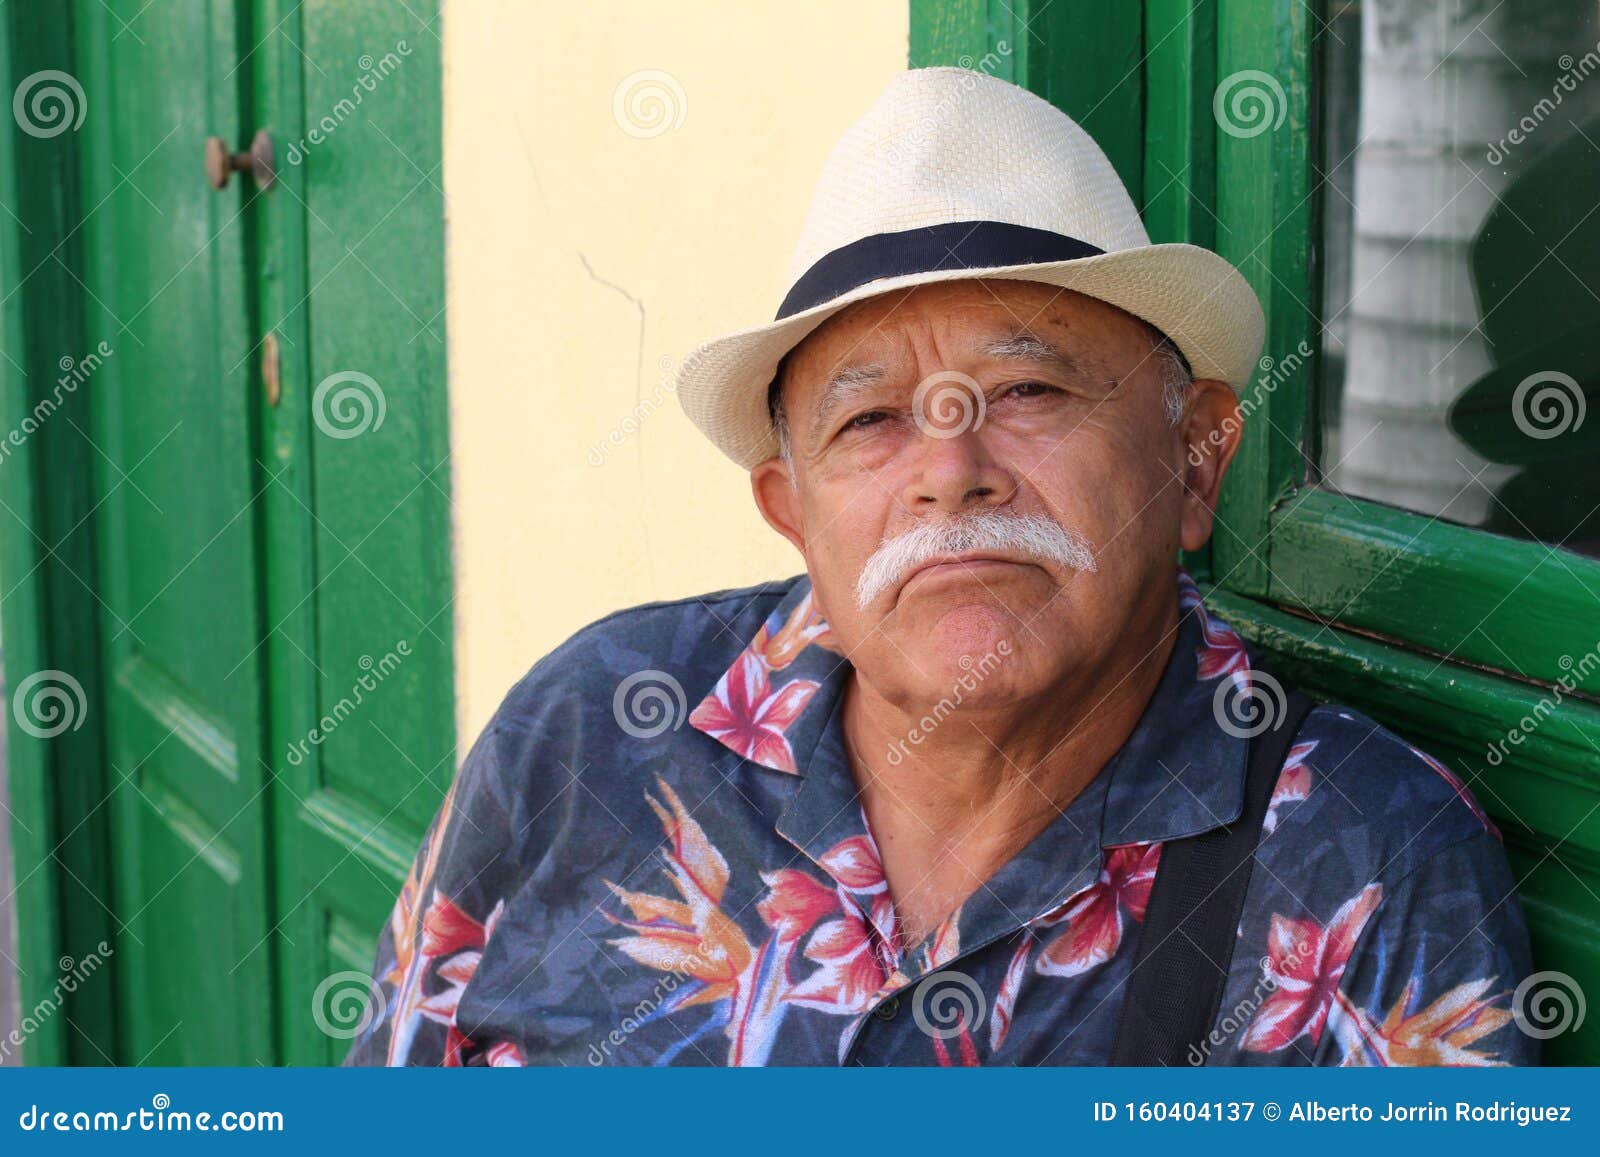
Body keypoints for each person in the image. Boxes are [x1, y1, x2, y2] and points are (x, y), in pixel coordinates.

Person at [346, 67, 1535, 1067]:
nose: (951, 472)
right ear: (792, 511)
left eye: (1029, 390)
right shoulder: (589, 729)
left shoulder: (1370, 856)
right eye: (869, 421)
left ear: (1193, 461)